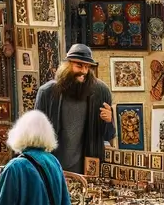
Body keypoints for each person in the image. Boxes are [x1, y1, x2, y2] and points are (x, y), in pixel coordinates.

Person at [34, 44, 114, 173]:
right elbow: (36, 136)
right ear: (67, 65)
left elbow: (109, 135)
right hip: (53, 167)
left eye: (87, 67)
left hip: (87, 170)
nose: (83, 71)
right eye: (79, 65)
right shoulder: (46, 93)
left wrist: (109, 121)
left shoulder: (101, 92)